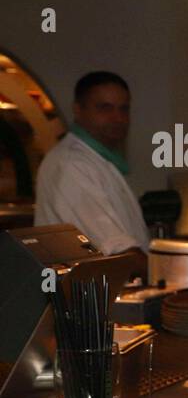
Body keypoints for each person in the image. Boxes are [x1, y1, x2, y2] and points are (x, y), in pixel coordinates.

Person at [34, 71, 149, 272]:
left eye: (124, 109)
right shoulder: (71, 164)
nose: (118, 118)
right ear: (78, 110)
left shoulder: (99, 159)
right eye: (105, 108)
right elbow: (117, 251)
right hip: (85, 299)